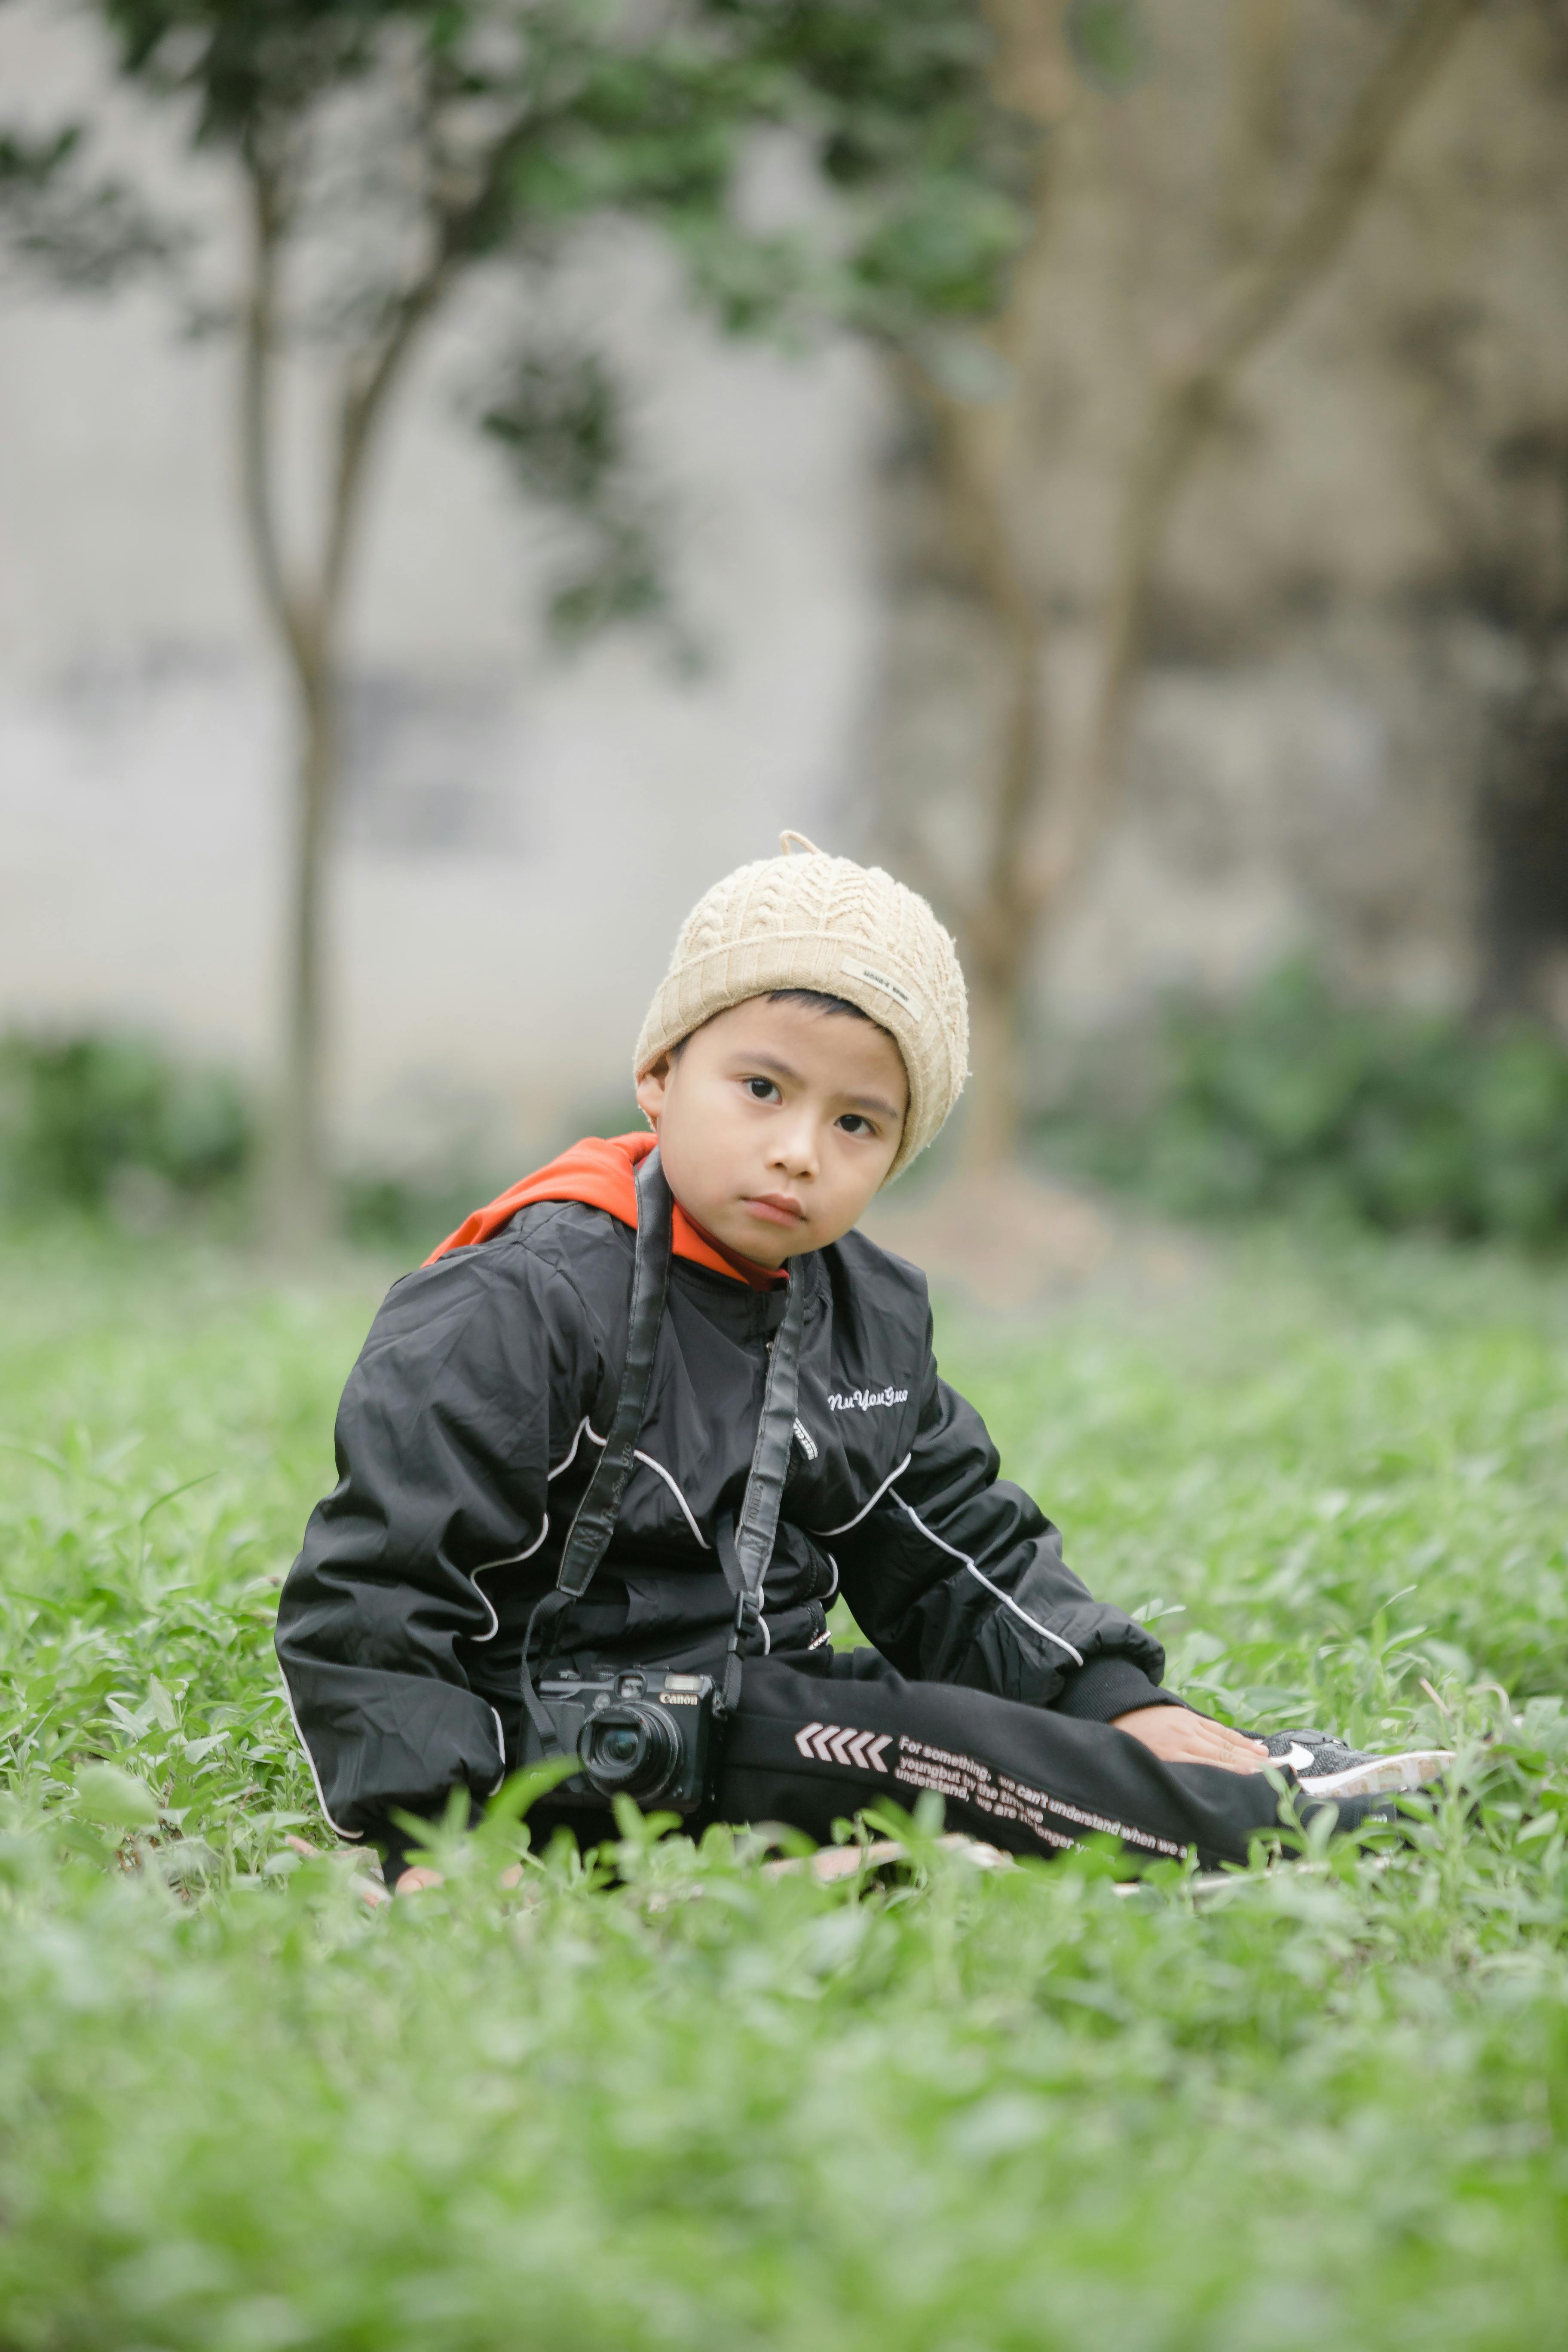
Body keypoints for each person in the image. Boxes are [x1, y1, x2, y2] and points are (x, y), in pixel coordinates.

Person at [276, 835, 1447, 1893]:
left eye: (857, 1124)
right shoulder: (519, 1301)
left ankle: (1195, 1773)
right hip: (560, 1744)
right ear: (661, 1075)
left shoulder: (862, 1313)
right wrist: (439, 1844)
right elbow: (375, 1595)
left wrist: (1116, 1700)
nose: (797, 1152)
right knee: (922, 1747)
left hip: (747, 1723)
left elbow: (953, 1551)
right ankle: (1273, 1828)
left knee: (892, 1723)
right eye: (762, 1088)